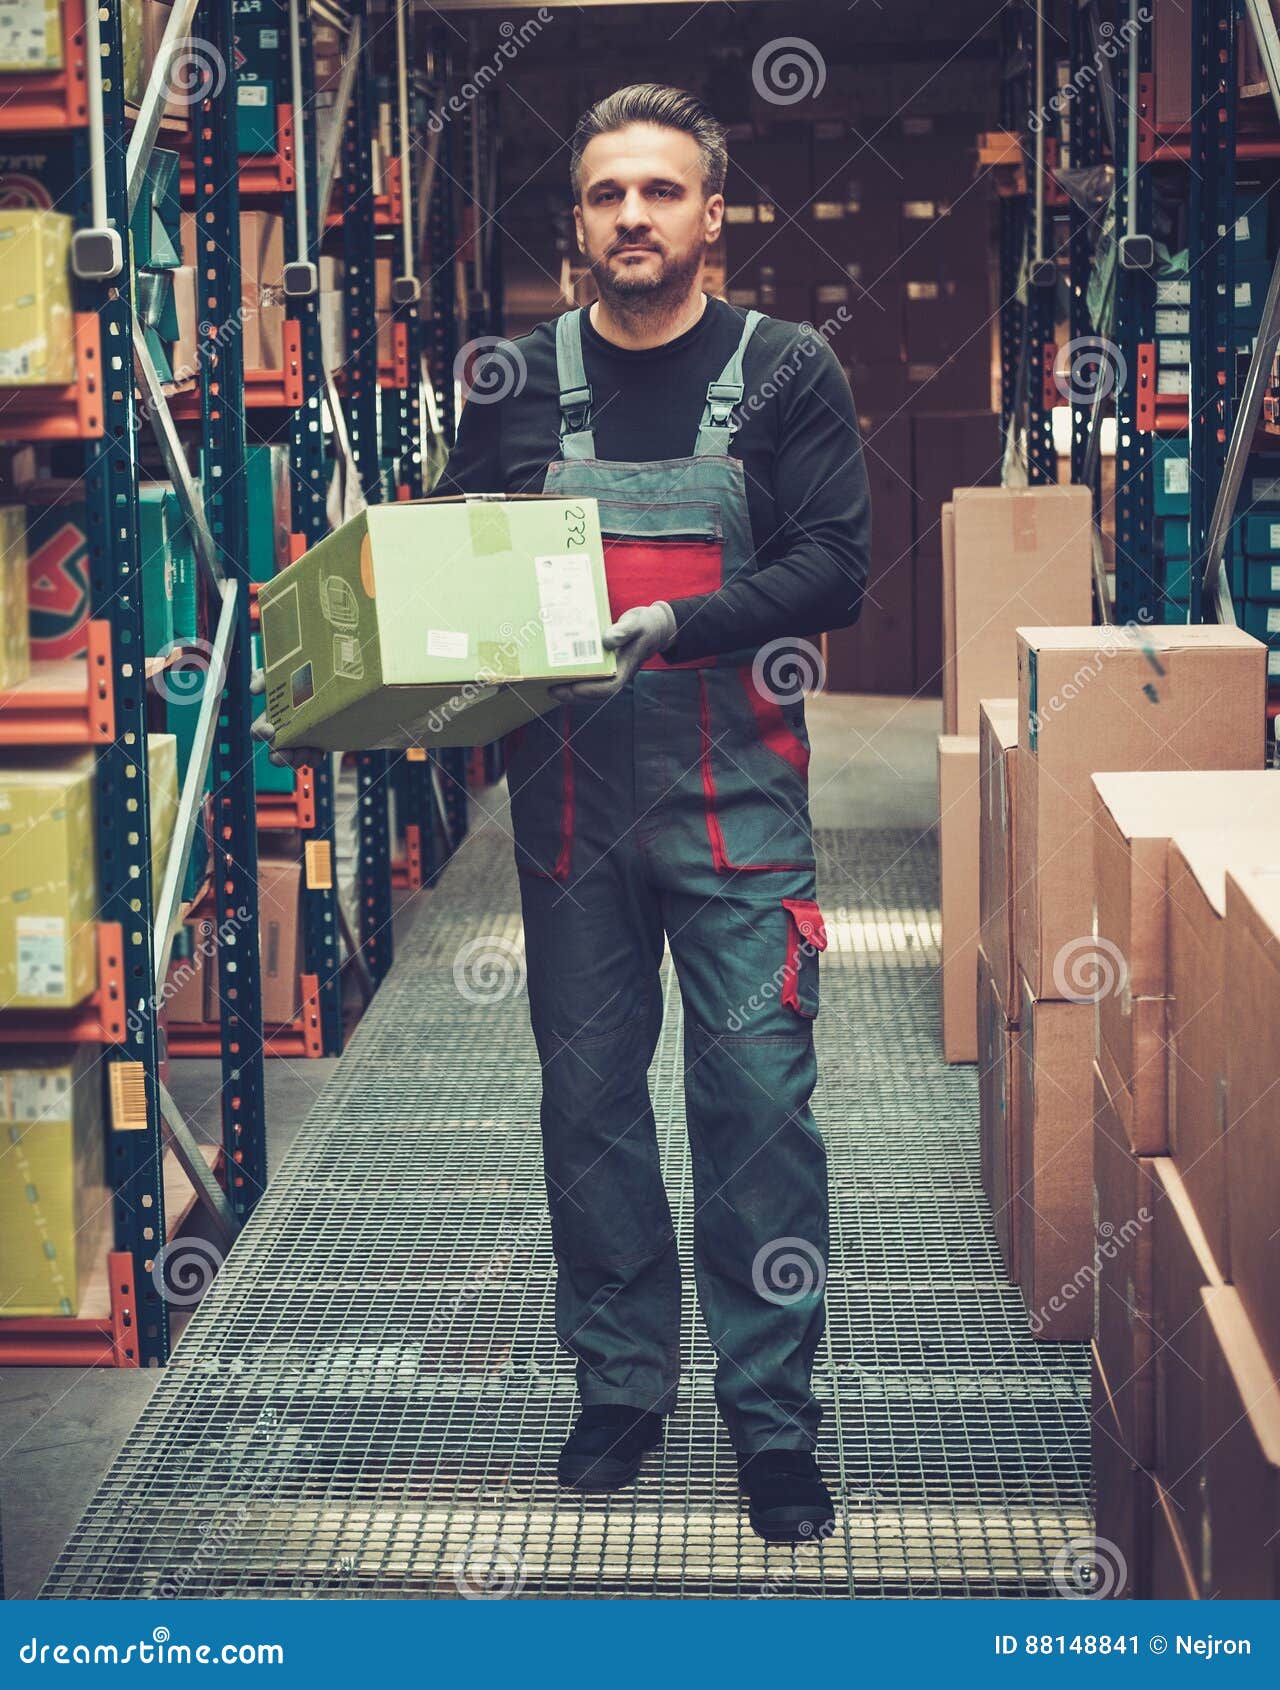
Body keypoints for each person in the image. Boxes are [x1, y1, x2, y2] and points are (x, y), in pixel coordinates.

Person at [256, 83, 870, 1543]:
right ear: (578, 223)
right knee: (591, 1111)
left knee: (760, 1104)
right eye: (608, 197)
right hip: (571, 808)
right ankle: (621, 1389)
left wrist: (683, 619)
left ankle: (772, 1418)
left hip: (736, 808)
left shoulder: (789, 373)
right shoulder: (516, 384)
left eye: (663, 192)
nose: (635, 219)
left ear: (713, 217)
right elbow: (459, 582)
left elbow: (837, 567)